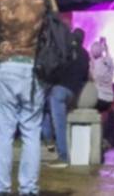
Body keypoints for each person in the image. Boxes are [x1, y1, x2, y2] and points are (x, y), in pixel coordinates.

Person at [0, 0, 58, 196]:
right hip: (33, 70)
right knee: (31, 132)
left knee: (3, 133)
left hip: (7, 67)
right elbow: (57, 22)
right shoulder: (40, 1)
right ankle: (29, 189)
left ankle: (0, 189)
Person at [45, 27, 90, 168]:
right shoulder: (85, 54)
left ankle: (61, 154)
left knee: (57, 122)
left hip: (59, 90)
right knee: (48, 112)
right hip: (72, 93)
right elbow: (85, 76)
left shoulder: (65, 49)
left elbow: (56, 69)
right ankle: (50, 140)